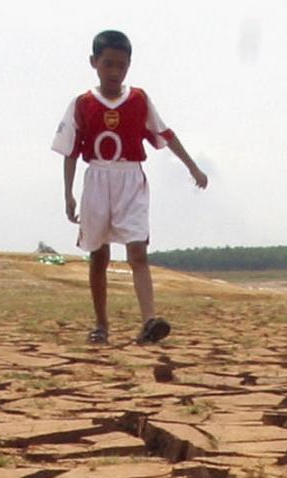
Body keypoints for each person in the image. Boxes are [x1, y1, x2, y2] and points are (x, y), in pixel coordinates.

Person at [52, 29, 207, 345]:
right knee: (99, 256)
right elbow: (69, 151)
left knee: (138, 250)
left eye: (121, 66)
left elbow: (165, 134)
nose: (114, 72)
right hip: (97, 178)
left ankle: (149, 320)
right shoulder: (82, 103)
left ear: (129, 66)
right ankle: (101, 324)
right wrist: (68, 194)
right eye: (108, 64)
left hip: (131, 179)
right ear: (94, 62)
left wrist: (192, 166)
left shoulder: (139, 100)